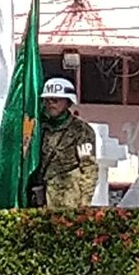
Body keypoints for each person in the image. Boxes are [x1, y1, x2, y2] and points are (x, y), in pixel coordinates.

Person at [27, 77, 99, 209]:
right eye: (47, 100)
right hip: (40, 200)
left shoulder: (81, 131)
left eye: (55, 100)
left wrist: (84, 204)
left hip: (68, 200)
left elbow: (89, 167)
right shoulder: (39, 128)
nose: (51, 104)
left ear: (68, 102)